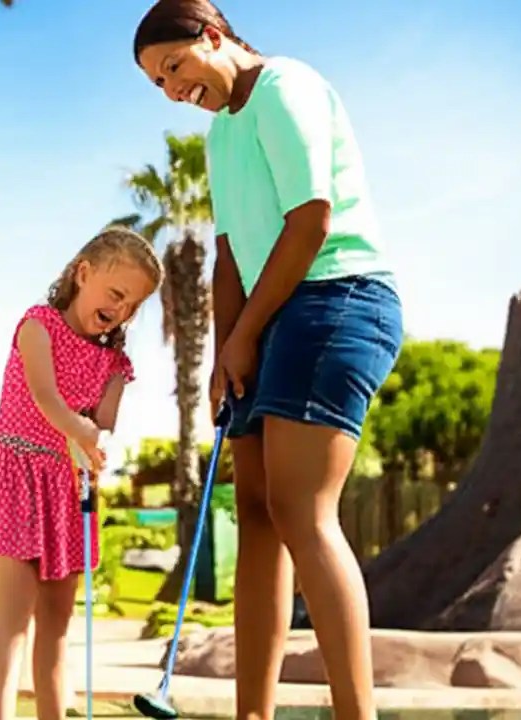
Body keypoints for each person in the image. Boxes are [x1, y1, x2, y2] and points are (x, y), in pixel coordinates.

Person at [131, 2, 405, 719]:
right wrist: (227, 349)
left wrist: (247, 333)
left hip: (338, 298)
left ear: (213, 36)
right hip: (271, 315)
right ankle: (252, 714)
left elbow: (310, 219)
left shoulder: (286, 86)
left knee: (300, 510)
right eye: (157, 82)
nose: (170, 89)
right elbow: (227, 255)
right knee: (255, 512)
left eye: (173, 67)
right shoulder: (222, 135)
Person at [0, 227, 164, 720]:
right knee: (14, 617)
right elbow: (47, 401)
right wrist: (86, 434)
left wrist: (100, 450)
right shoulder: (38, 326)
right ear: (83, 274)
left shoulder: (116, 364)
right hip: (17, 475)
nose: (120, 310)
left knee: (56, 625)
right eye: (115, 294)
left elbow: (107, 428)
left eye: (133, 305)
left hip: (68, 489)